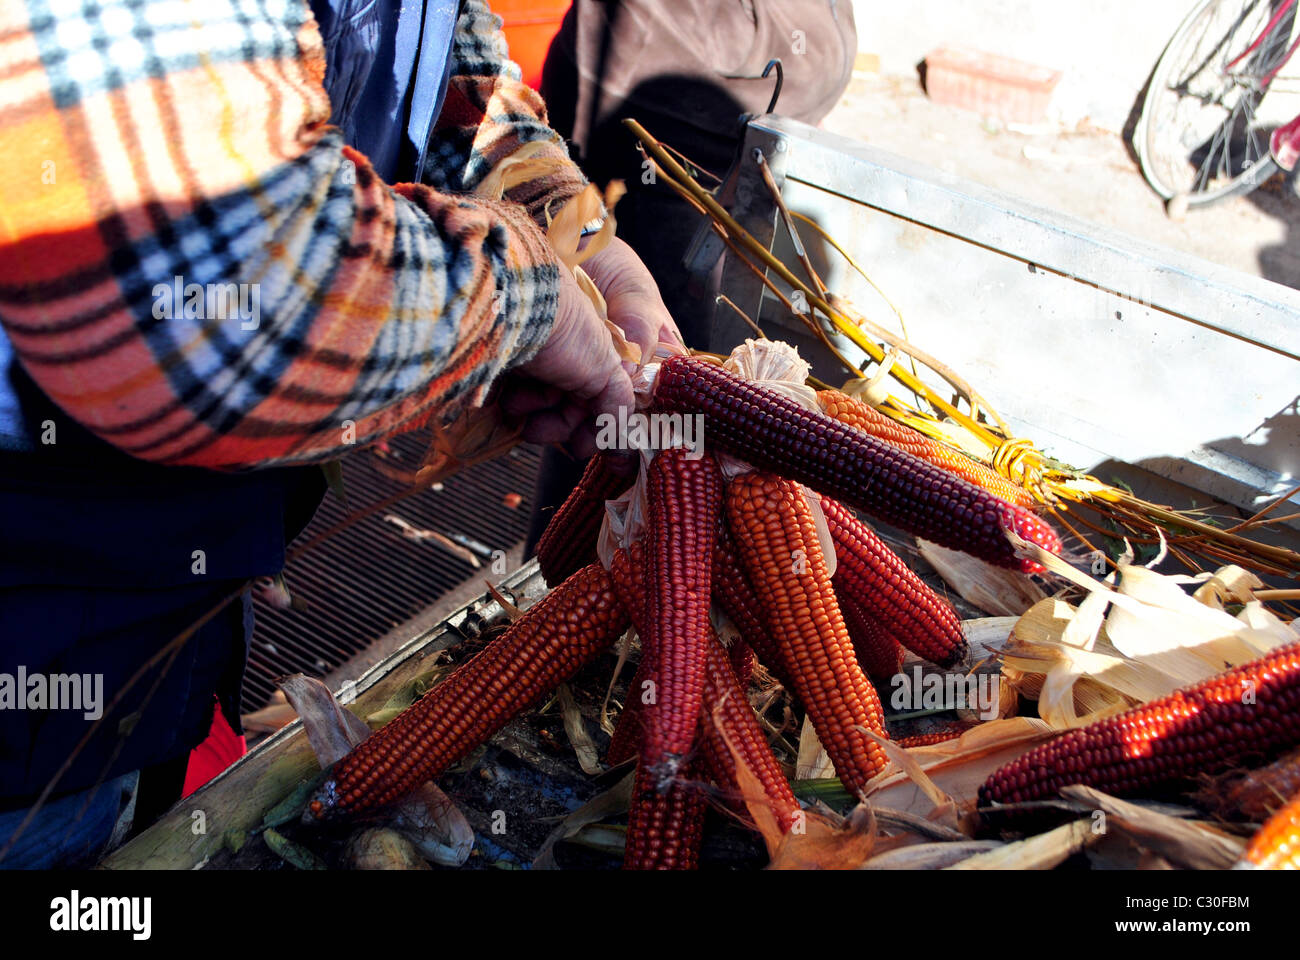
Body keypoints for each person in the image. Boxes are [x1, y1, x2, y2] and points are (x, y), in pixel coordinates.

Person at [0, 0, 678, 868]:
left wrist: (566, 228)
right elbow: (219, 290)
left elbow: (434, 51)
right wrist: (527, 295)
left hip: (170, 578)